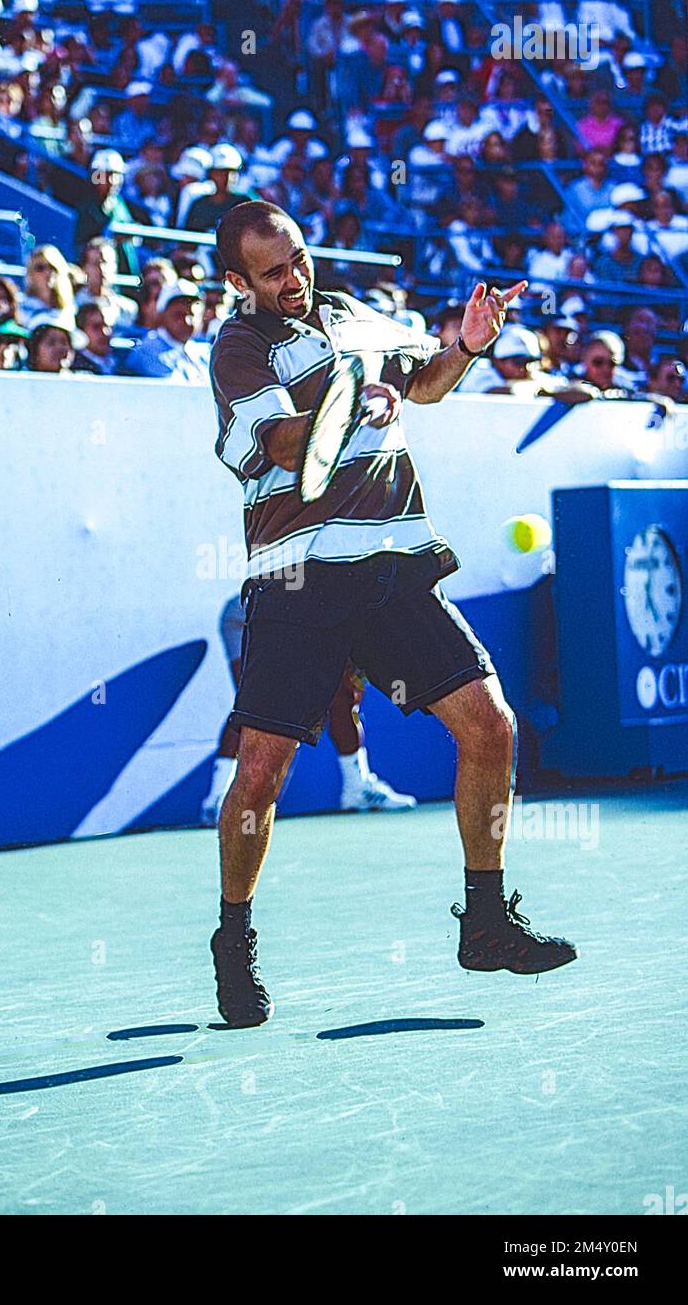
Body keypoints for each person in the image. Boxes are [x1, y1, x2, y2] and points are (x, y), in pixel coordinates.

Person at [206, 201, 577, 1027]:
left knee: (490, 726)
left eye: (298, 258)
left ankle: (484, 922)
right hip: (298, 578)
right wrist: (349, 406)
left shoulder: (353, 314)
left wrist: (467, 344)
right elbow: (280, 446)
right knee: (262, 771)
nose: (294, 278)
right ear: (238, 282)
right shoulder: (239, 347)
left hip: (394, 567)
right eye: (272, 272)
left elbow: (426, 385)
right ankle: (233, 936)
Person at [200, 598, 417, 826]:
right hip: (257, 612)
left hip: (305, 614)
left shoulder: (364, 616)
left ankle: (357, 786)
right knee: (254, 706)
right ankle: (217, 800)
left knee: (344, 695)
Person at [123, 280, 211, 383]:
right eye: (178, 315)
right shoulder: (148, 351)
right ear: (163, 314)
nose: (187, 321)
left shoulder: (204, 352)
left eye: (192, 315)